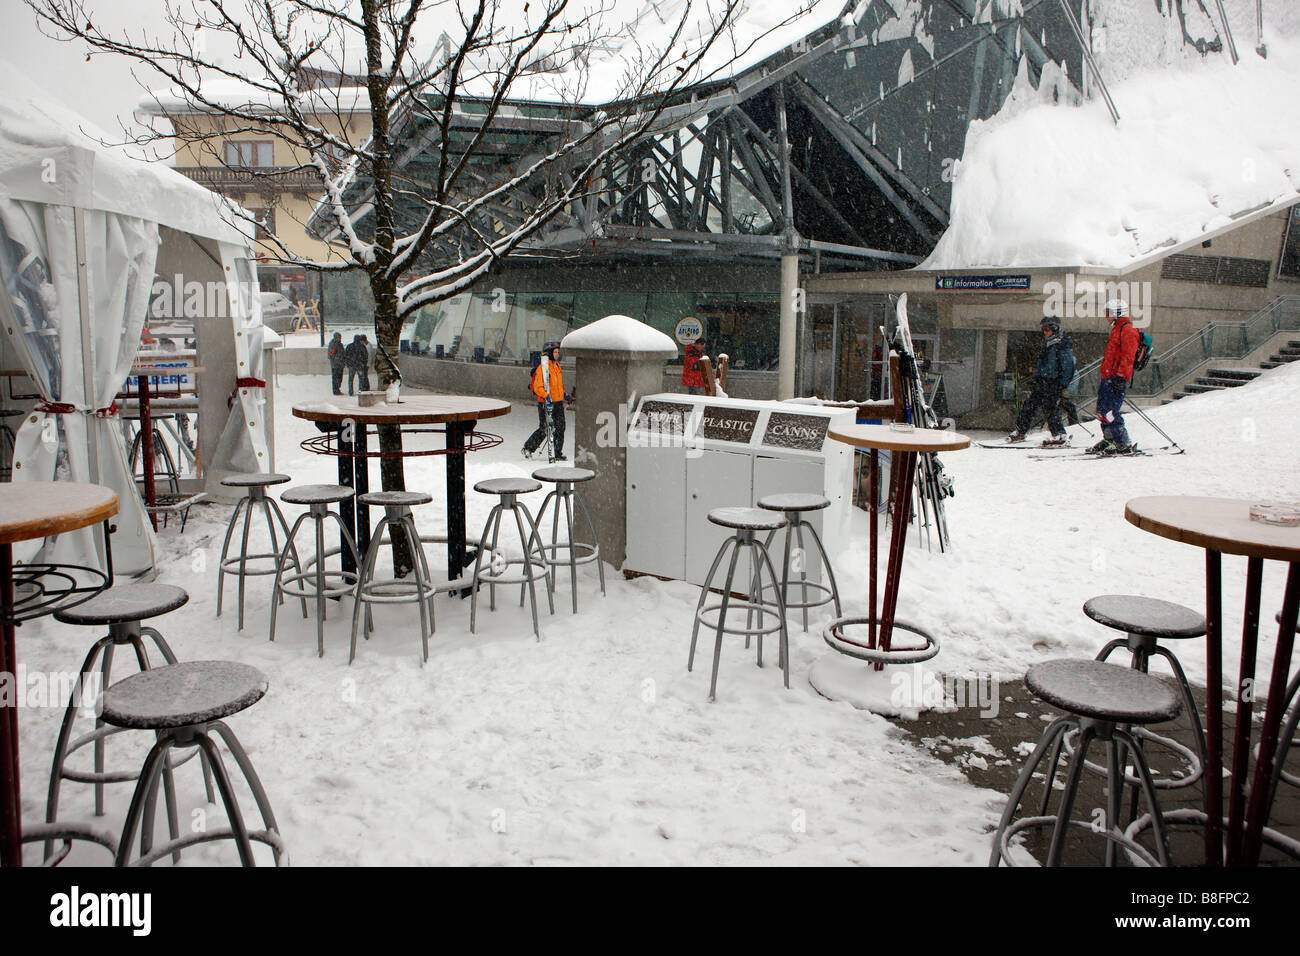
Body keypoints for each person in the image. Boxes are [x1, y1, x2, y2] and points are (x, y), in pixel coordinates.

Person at [1007, 316, 1075, 445]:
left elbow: (1068, 366)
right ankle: (1020, 431)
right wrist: (1037, 377)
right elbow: (1043, 364)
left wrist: (1062, 384)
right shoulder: (1047, 343)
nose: (1045, 331)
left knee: (1049, 407)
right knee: (1030, 405)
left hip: (1054, 382)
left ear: (1055, 329)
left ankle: (1059, 434)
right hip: (1043, 381)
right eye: (1043, 329)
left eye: (1047, 329)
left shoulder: (1062, 344)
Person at [1089, 299, 1140, 455]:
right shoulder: (1116, 329)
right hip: (1108, 377)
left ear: (1118, 313)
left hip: (1116, 378)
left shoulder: (1128, 330)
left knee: (1111, 412)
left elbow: (1128, 357)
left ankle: (1123, 442)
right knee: (1102, 411)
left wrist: (1121, 376)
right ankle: (1109, 438)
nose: (1106, 316)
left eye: (1108, 313)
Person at [523, 341, 568, 460]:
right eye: (555, 352)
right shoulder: (543, 368)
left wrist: (565, 395)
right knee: (544, 428)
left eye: (558, 352)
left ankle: (557, 452)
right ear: (549, 353)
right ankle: (528, 447)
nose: (557, 354)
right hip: (546, 403)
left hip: (557, 402)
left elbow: (558, 386)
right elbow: (538, 387)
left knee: (560, 427)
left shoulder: (557, 366)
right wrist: (546, 396)